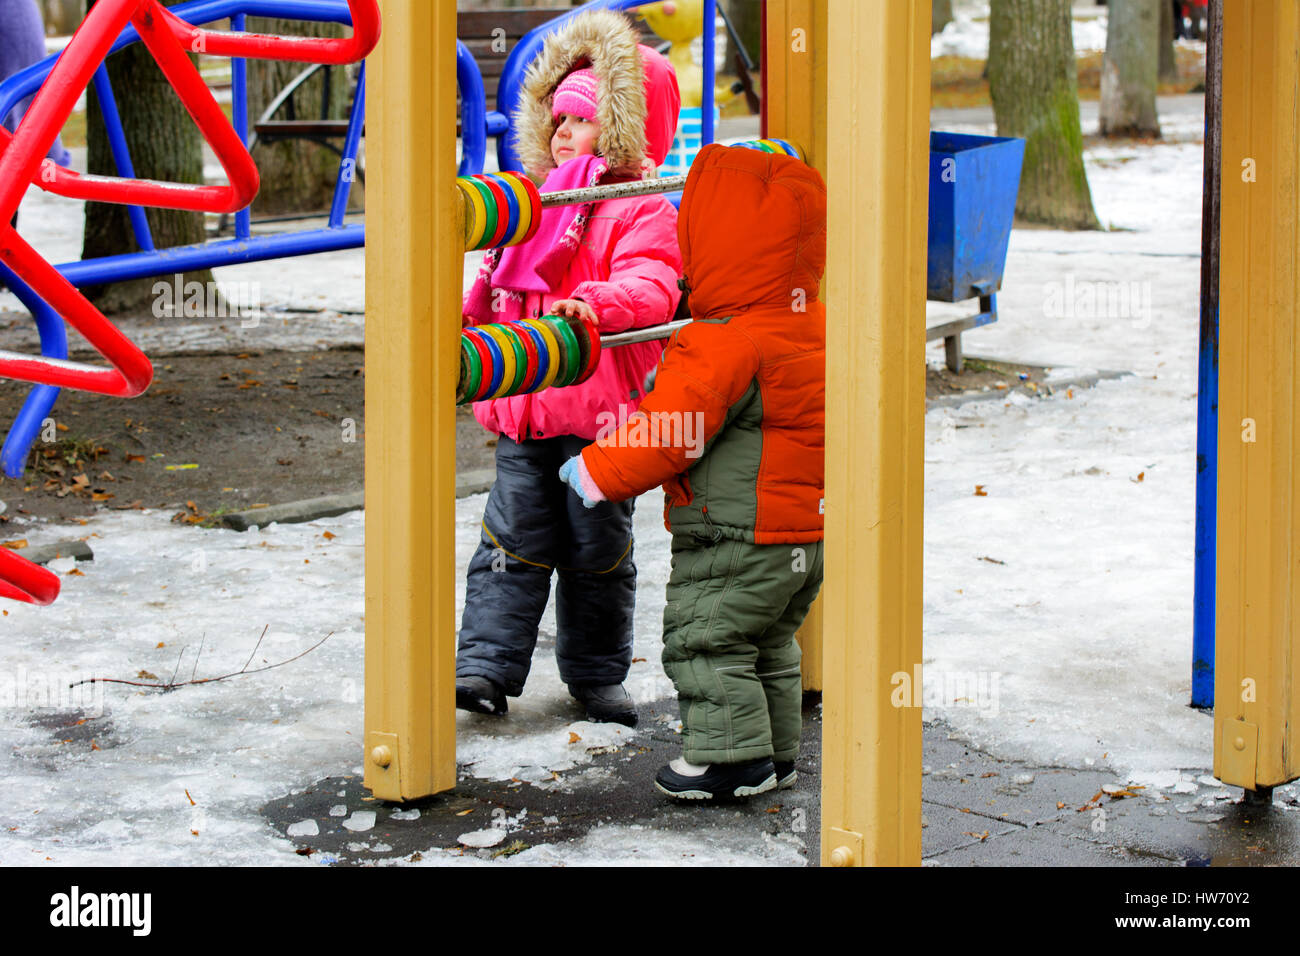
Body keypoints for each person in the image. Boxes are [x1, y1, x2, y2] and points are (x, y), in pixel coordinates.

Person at [559, 143, 827, 799]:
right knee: (766, 645)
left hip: (733, 533)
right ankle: (776, 752)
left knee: (703, 639)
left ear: (717, 247)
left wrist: (597, 471)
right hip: (801, 536)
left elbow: (668, 433)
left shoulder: (720, 340)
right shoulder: (812, 324)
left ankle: (730, 759)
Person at [455, 9, 683, 727]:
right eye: (557, 118)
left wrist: (597, 302)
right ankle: (484, 668)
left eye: (581, 120)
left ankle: (595, 676)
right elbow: (499, 287)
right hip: (525, 413)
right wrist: (465, 319)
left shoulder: (636, 205)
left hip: (602, 419)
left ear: (622, 131)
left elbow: (654, 287)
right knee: (509, 543)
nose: (562, 131)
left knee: (598, 551)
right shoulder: (533, 207)